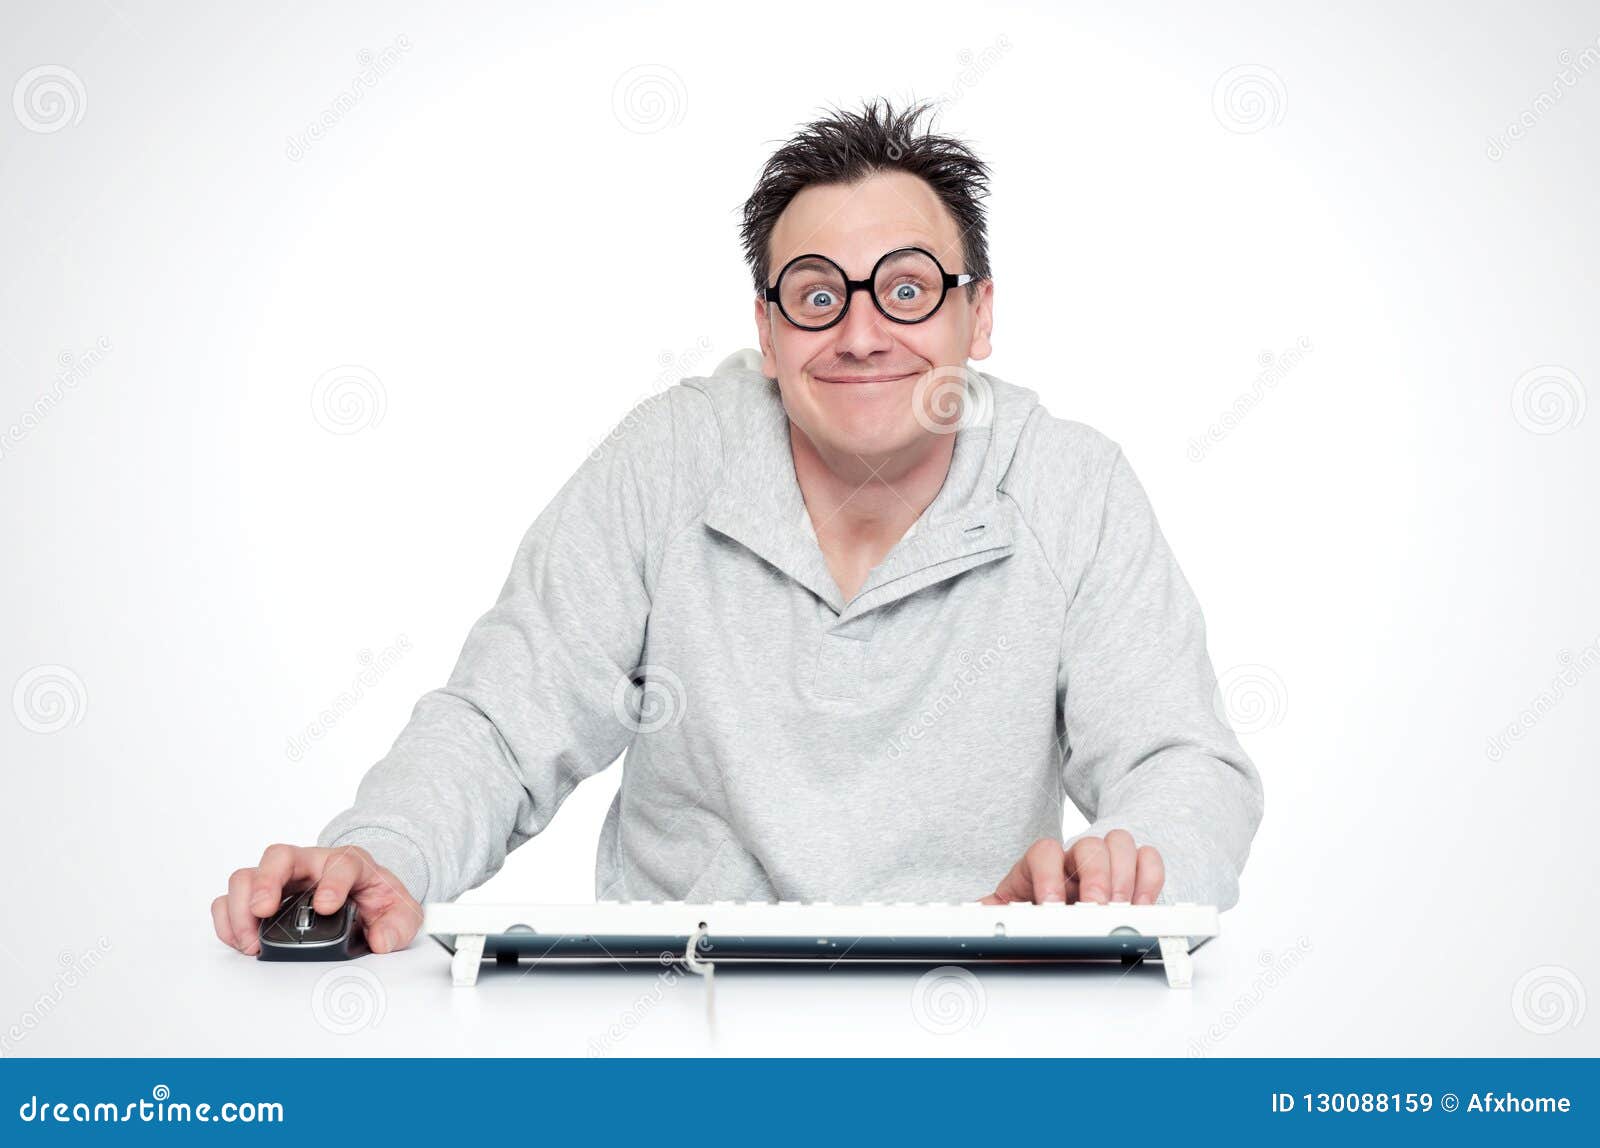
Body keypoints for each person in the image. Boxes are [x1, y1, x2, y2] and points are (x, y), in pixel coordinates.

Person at [212, 99, 1263, 957]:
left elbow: (1183, 762)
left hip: (971, 1009)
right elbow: (502, 724)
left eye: (906, 289)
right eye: (816, 296)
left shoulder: (1073, 487)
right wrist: (382, 853)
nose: (861, 334)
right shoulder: (670, 459)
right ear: (766, 327)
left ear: (977, 314)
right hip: (678, 1012)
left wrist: (1125, 876)